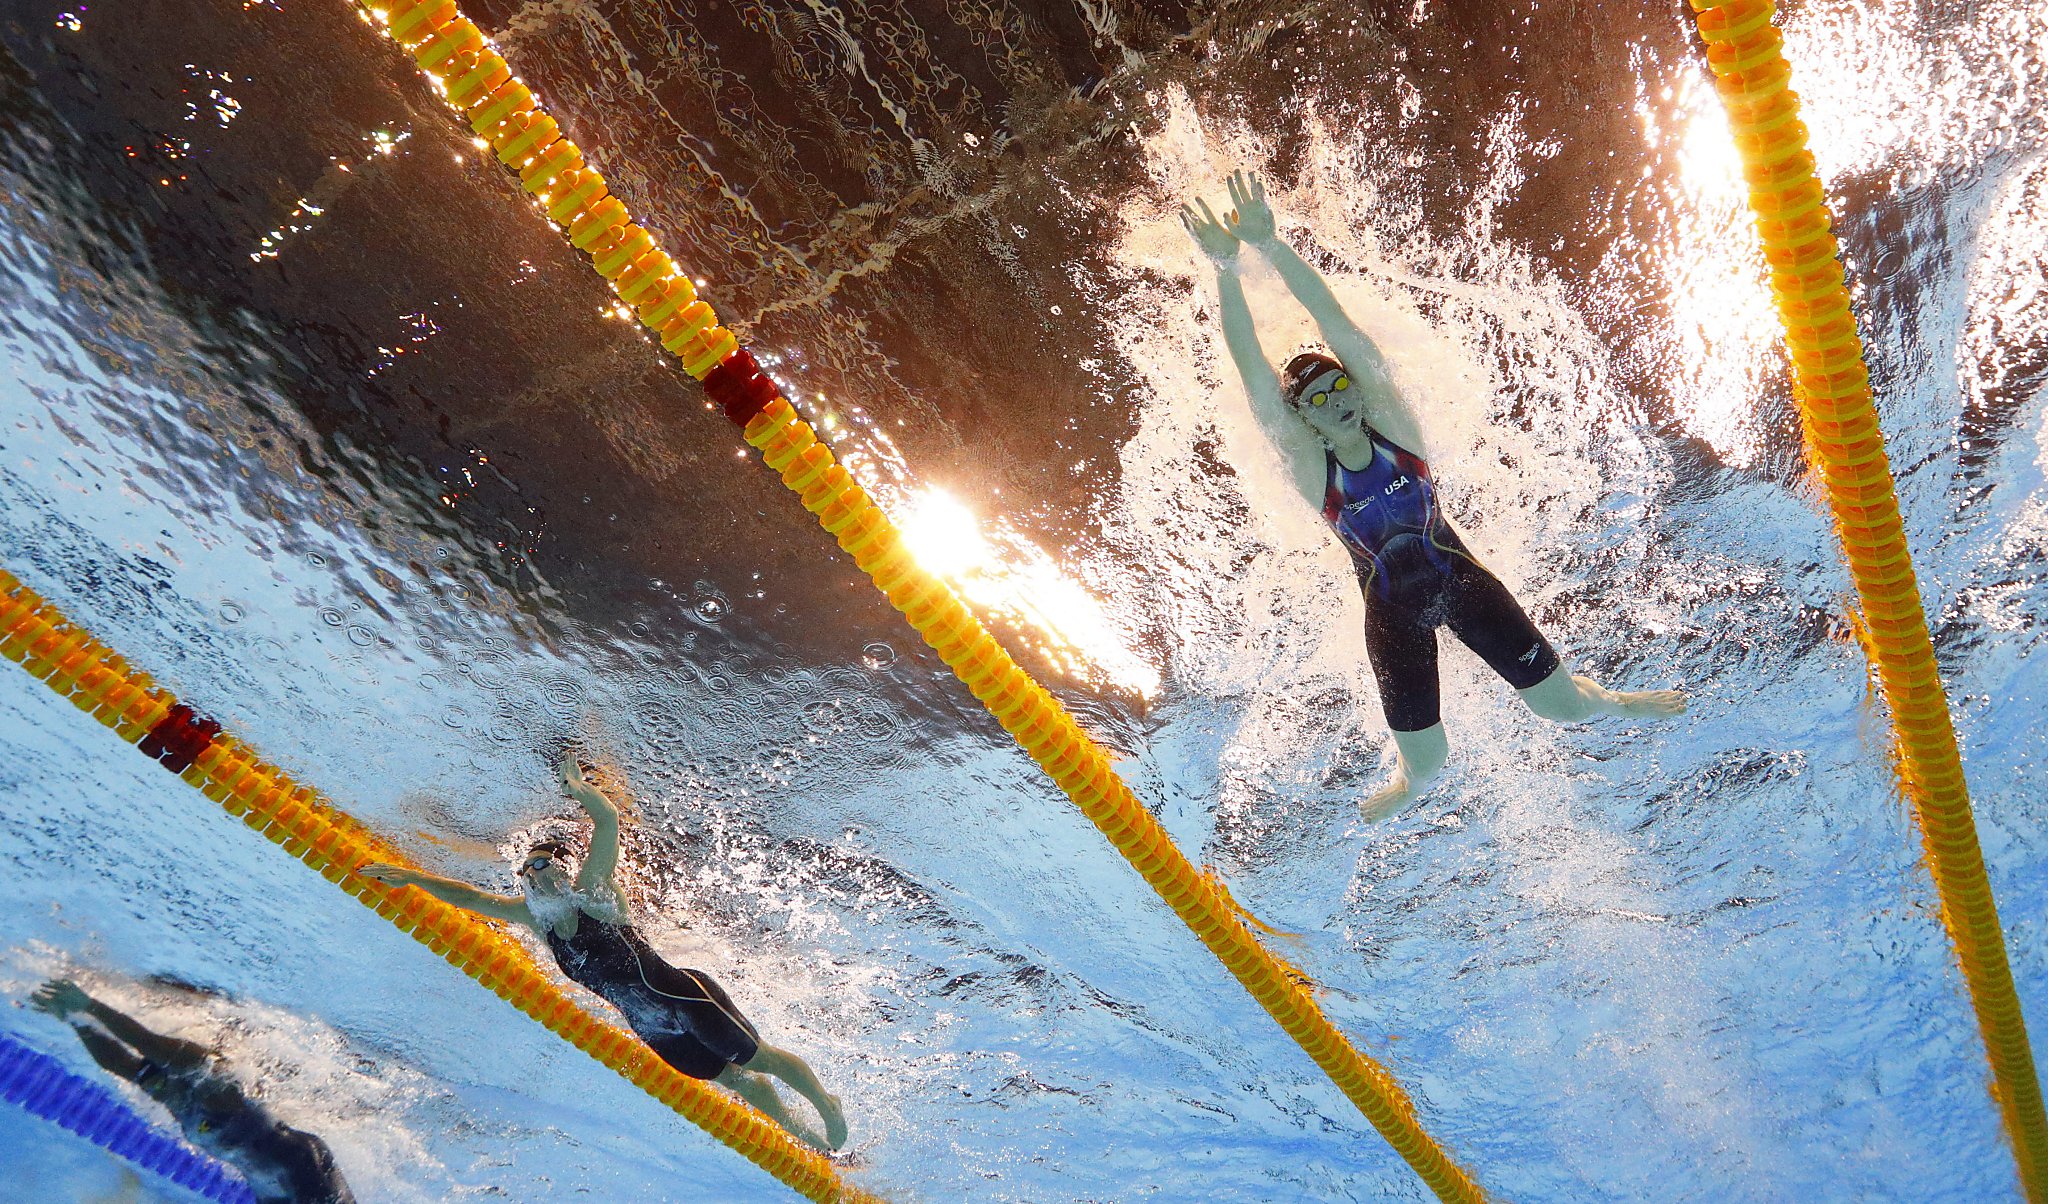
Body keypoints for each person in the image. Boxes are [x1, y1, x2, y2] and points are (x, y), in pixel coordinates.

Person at [1180, 170, 1686, 819]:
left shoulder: (1396, 428)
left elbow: (1336, 323)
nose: (1334, 402)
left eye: (1339, 387)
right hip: (1393, 619)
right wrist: (1225, 268)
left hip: (1467, 586)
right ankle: (1408, 784)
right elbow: (1254, 374)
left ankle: (1616, 699)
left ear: (1356, 388)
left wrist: (1272, 249)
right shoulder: (1313, 472)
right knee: (1430, 762)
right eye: (1314, 400)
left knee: (1564, 710)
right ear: (1300, 417)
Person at [357, 754, 848, 1151]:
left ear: (564, 871)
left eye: (544, 866)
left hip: (683, 995)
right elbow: (467, 897)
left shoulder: (592, 892)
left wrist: (579, 788)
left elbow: (608, 819)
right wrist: (413, 879)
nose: (535, 876)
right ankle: (805, 1140)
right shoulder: (535, 919)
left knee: (759, 1060)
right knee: (738, 1084)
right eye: (528, 871)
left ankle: (826, 1106)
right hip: (652, 1026)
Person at [29, 979, 355, 1204]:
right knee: (136, 1072)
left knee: (155, 1048)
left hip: (237, 1119)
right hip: (208, 1135)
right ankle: (70, 1015)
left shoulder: (324, 1188)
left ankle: (85, 1004)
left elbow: (307, 1154)